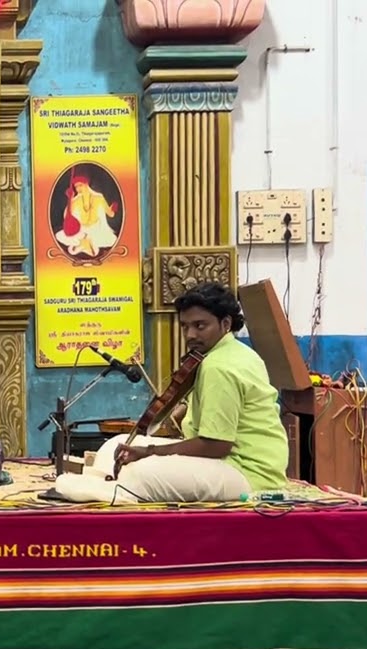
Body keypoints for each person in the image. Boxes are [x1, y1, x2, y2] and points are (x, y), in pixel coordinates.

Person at [55, 282, 289, 504]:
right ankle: (104, 485)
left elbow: (216, 445)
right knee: (116, 444)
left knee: (141, 472)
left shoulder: (219, 367)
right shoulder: (236, 352)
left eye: (200, 326)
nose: (190, 335)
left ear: (225, 323)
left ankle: (111, 491)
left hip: (247, 472)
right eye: (185, 326)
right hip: (229, 461)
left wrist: (151, 452)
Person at [54, 173, 120, 258]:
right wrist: (70, 199)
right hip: (81, 230)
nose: (78, 189)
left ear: (86, 184)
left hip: (95, 229)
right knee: (59, 236)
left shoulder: (99, 197)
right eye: (76, 187)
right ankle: (87, 244)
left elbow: (110, 214)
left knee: (112, 240)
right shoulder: (75, 200)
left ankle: (83, 244)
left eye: (80, 185)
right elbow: (67, 216)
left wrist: (113, 208)